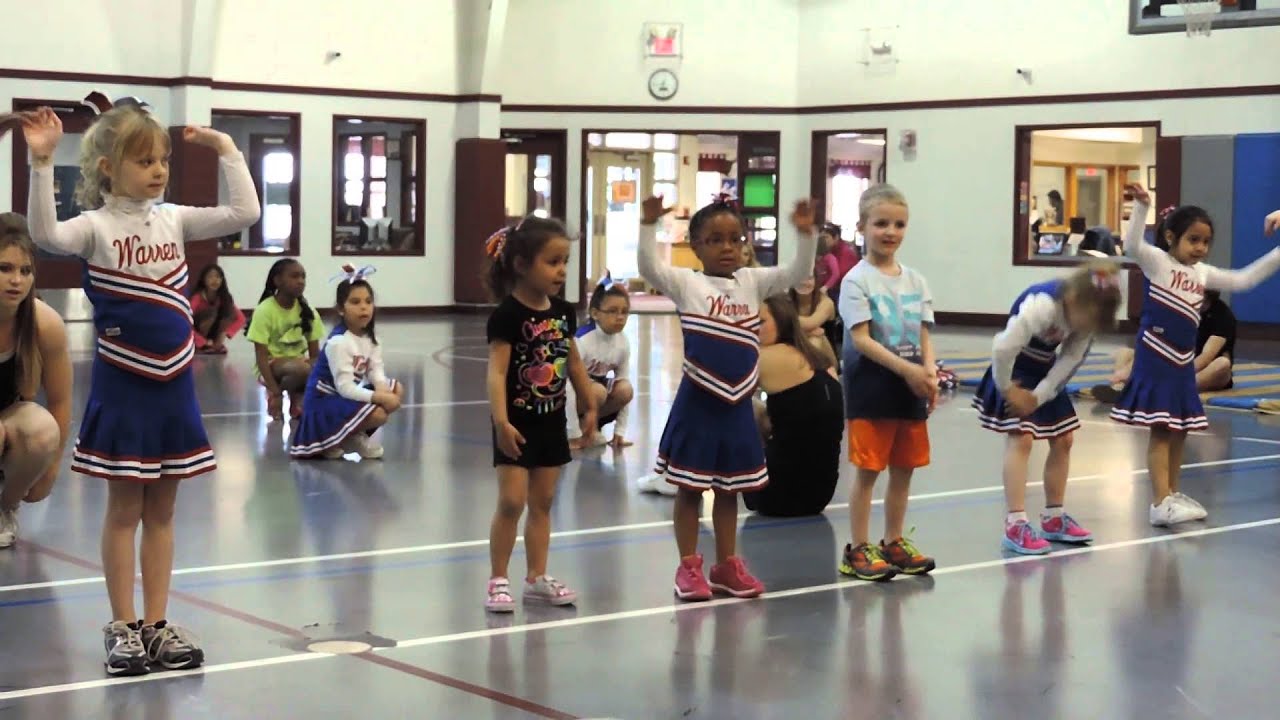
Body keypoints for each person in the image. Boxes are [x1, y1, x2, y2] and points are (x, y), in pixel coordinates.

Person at [23, 100, 259, 675]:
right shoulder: (95, 228)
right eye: (144, 161)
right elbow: (43, 233)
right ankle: (122, 625)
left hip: (174, 382)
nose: (158, 170)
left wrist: (228, 151)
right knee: (125, 508)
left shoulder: (174, 218)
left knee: (164, 510)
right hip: (124, 382)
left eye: (163, 160)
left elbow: (243, 212)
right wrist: (42, 164)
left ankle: (156, 624)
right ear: (107, 166)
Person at [638, 193, 818, 601]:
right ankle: (688, 567)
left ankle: (725, 565)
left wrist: (806, 234)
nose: (727, 247)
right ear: (696, 245)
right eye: (715, 240)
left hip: (737, 405)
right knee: (688, 489)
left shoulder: (752, 282)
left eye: (735, 239)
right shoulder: (688, 283)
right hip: (699, 400)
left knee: (729, 490)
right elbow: (648, 266)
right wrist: (648, 225)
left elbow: (797, 272)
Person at [1113, 185, 1280, 526]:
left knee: (1180, 428)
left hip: (1181, 362)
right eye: (1193, 240)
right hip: (1156, 356)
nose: (1200, 248)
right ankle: (1159, 501)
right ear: (1171, 236)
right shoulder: (1158, 262)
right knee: (1161, 429)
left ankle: (1171, 493)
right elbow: (1131, 246)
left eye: (1205, 242)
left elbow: (1244, 279)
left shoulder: (1202, 274)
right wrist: (1143, 206)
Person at [483, 216, 597, 613]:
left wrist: (588, 403)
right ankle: (499, 578)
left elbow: (574, 361)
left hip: (552, 421)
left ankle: (536, 577)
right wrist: (501, 422)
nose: (562, 270)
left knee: (543, 501)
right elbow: (497, 373)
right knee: (512, 501)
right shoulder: (507, 315)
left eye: (565, 261)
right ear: (521, 265)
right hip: (516, 424)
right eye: (552, 262)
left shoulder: (564, 312)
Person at [972, 262, 1123, 555]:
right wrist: (1008, 389)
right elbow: (1003, 349)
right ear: (1073, 300)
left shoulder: (1085, 319)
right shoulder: (1043, 305)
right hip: (1013, 370)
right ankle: (1015, 523)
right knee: (1022, 438)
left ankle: (1054, 517)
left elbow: (1068, 362)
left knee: (1065, 439)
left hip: (1043, 374)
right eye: (1088, 321)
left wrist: (1038, 397)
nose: (1087, 329)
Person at [837, 184, 937, 582]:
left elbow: (924, 332)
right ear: (862, 226)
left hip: (909, 390)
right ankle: (858, 548)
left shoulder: (916, 280)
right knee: (868, 472)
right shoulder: (855, 281)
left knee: (904, 469)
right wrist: (908, 371)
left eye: (898, 224)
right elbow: (861, 339)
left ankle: (893, 541)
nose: (890, 232)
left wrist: (927, 371)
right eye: (881, 223)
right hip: (871, 389)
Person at [0, 214, 73, 549]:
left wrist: (50, 470)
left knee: (42, 431)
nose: (16, 280)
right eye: (5, 269)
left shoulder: (45, 324)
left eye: (25, 271)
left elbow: (59, 401)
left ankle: (4, 507)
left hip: (9, 417)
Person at [742, 295, 842, 517]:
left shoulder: (762, 357)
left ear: (782, 322)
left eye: (760, 322)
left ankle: (686, 476)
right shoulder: (819, 356)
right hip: (820, 494)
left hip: (777, 496)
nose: (751, 328)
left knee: (735, 408)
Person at [289, 266, 402, 460]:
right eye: (355, 302)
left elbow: (376, 369)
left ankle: (348, 435)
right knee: (379, 414)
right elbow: (345, 389)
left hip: (341, 400)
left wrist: (382, 388)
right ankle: (335, 437)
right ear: (341, 309)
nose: (364, 307)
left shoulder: (370, 338)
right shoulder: (339, 342)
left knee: (396, 389)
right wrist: (379, 398)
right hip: (323, 403)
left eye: (368, 301)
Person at [245, 259, 325, 420]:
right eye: (294, 276)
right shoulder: (264, 310)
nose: (300, 281)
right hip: (271, 365)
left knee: (324, 367)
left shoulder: (308, 311)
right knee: (301, 369)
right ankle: (275, 393)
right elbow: (260, 358)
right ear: (277, 281)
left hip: (300, 364)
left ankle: (298, 398)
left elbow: (315, 355)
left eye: (303, 277)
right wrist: (276, 394)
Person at [566, 271, 634, 450]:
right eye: (612, 311)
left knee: (625, 390)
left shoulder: (623, 342)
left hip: (593, 398)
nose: (620, 317)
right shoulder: (583, 340)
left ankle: (590, 426)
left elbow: (624, 383)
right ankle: (572, 429)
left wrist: (620, 431)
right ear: (595, 313)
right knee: (597, 392)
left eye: (624, 312)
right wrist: (572, 434)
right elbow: (567, 385)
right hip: (566, 397)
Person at [190, 263, 244, 354]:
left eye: (218, 277)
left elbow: (241, 318)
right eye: (210, 277)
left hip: (214, 336)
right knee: (211, 313)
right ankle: (202, 345)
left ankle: (215, 345)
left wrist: (225, 333)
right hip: (196, 335)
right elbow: (186, 321)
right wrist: (202, 341)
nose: (214, 280)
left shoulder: (224, 298)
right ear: (203, 280)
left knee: (228, 314)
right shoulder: (197, 298)